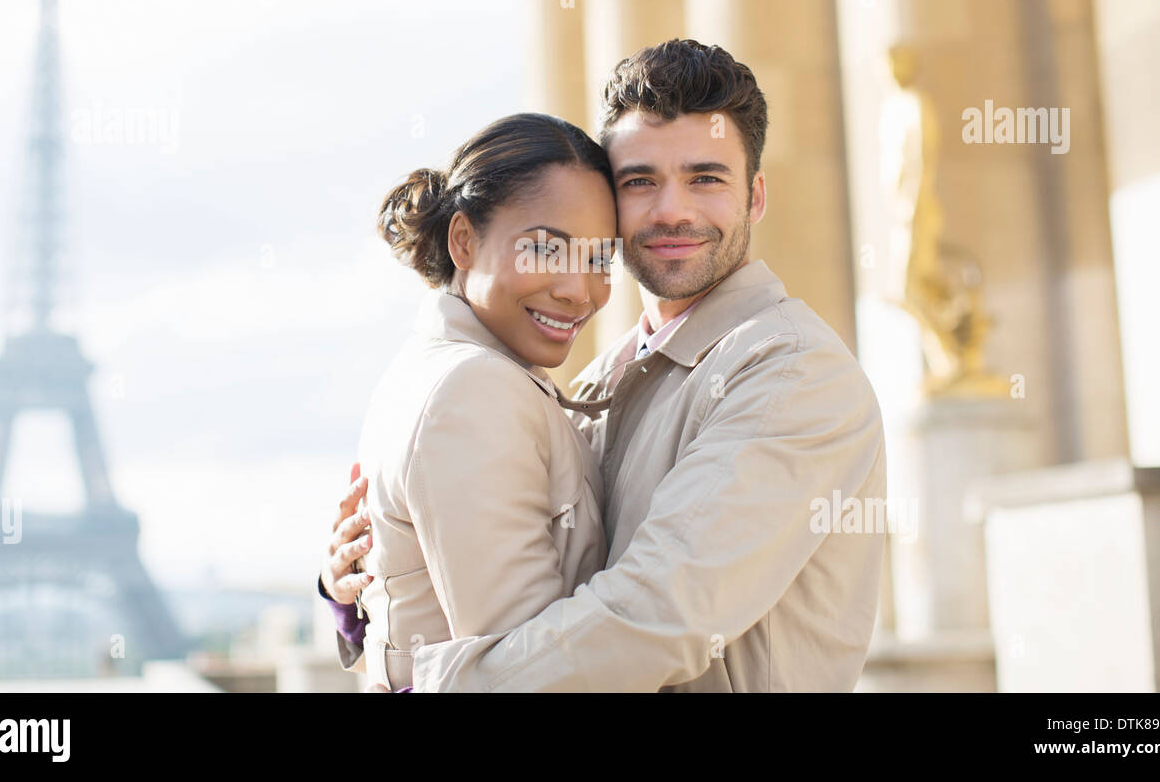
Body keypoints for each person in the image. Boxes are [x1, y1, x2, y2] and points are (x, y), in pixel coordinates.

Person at [323, 39, 888, 692]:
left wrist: (440, 687)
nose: (672, 208)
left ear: (755, 197)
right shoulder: (599, 380)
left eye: (706, 177)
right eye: (640, 181)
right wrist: (370, 585)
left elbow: (661, 614)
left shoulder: (791, 374)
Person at [319, 112, 617, 691]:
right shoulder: (472, 388)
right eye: (545, 251)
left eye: (600, 259)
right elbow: (527, 669)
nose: (580, 290)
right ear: (463, 240)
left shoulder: (438, 366)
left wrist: (348, 602)